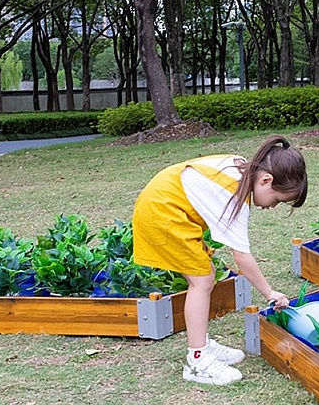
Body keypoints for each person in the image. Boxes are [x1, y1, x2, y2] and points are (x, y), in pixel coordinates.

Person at [132, 135, 307, 385]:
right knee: (201, 281)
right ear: (266, 180)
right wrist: (270, 292)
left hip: (169, 205)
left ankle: (201, 343)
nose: (274, 206)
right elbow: (242, 258)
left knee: (205, 275)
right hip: (162, 211)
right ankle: (197, 360)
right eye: (278, 199)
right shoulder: (234, 194)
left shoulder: (241, 167)